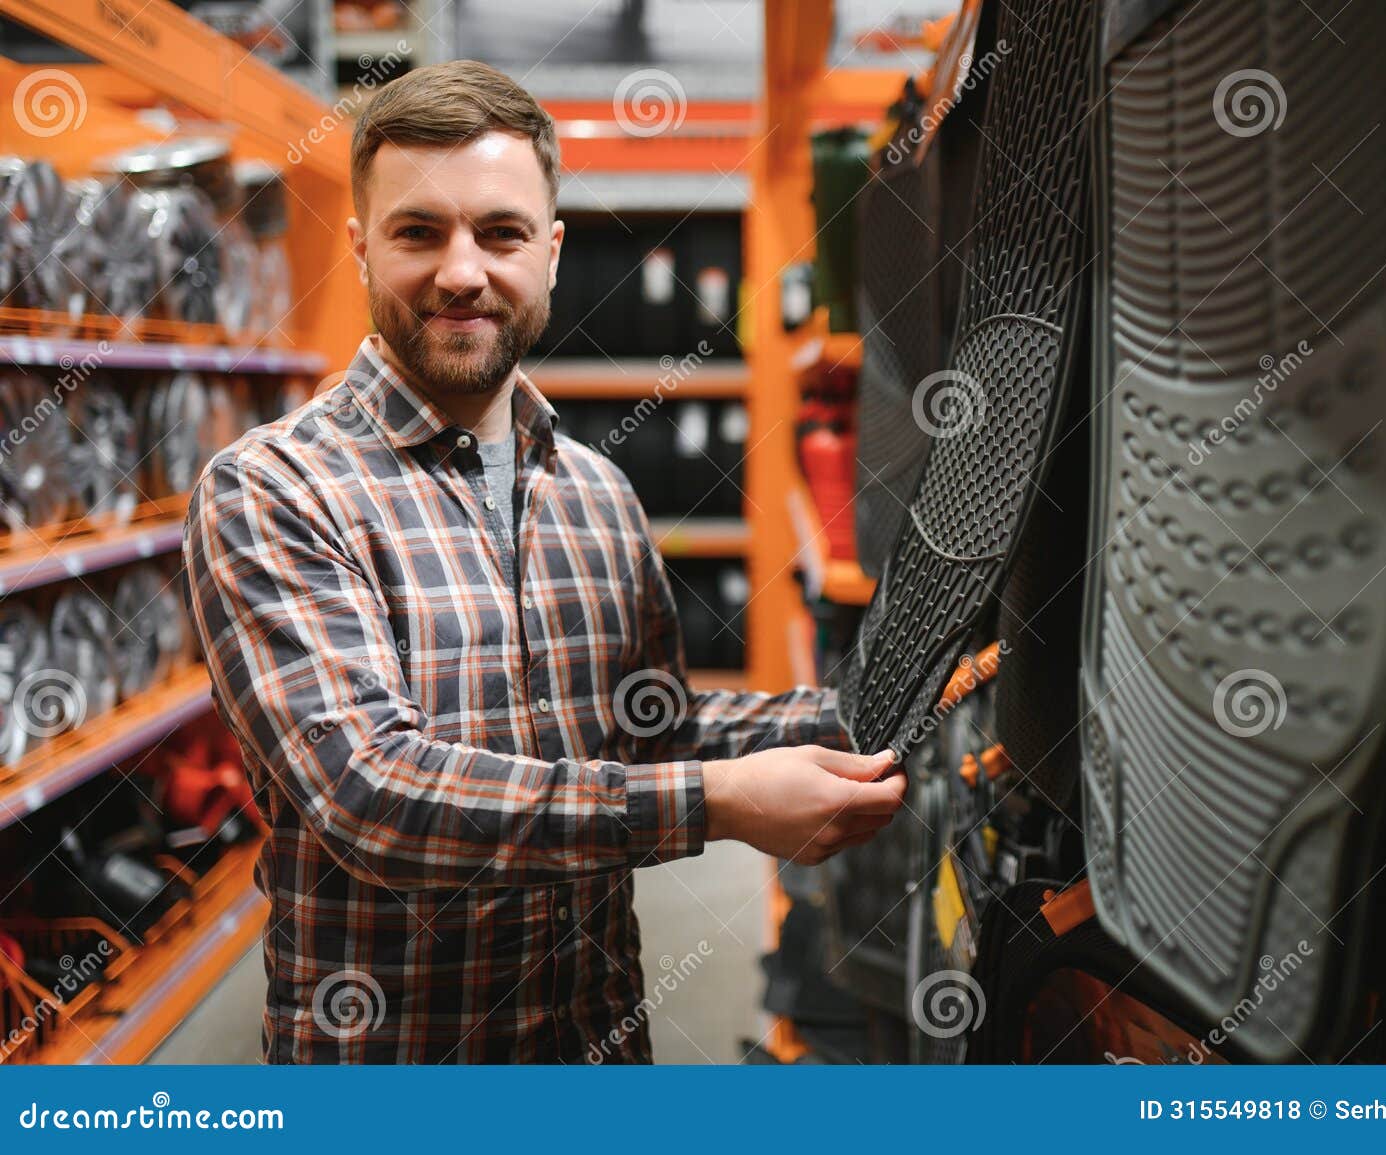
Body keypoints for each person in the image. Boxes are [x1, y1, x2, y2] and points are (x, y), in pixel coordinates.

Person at [183, 59, 905, 1064]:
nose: (462, 272)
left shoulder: (594, 491)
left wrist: (877, 706)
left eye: (501, 233)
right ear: (358, 247)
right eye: (418, 232)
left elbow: (646, 728)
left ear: (552, 252)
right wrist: (724, 803)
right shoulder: (274, 489)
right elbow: (372, 795)